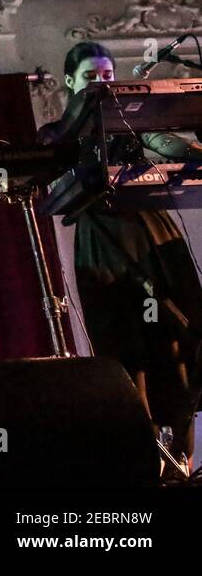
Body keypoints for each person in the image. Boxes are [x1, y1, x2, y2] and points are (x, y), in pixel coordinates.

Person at [40, 41, 202, 469]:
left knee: (182, 332)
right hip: (104, 242)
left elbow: (161, 142)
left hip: (152, 232)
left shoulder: (130, 125)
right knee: (127, 345)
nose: (102, 84)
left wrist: (192, 151)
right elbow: (57, 169)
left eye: (108, 76)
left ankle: (183, 451)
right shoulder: (57, 132)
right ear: (70, 83)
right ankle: (148, 454)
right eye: (91, 78)